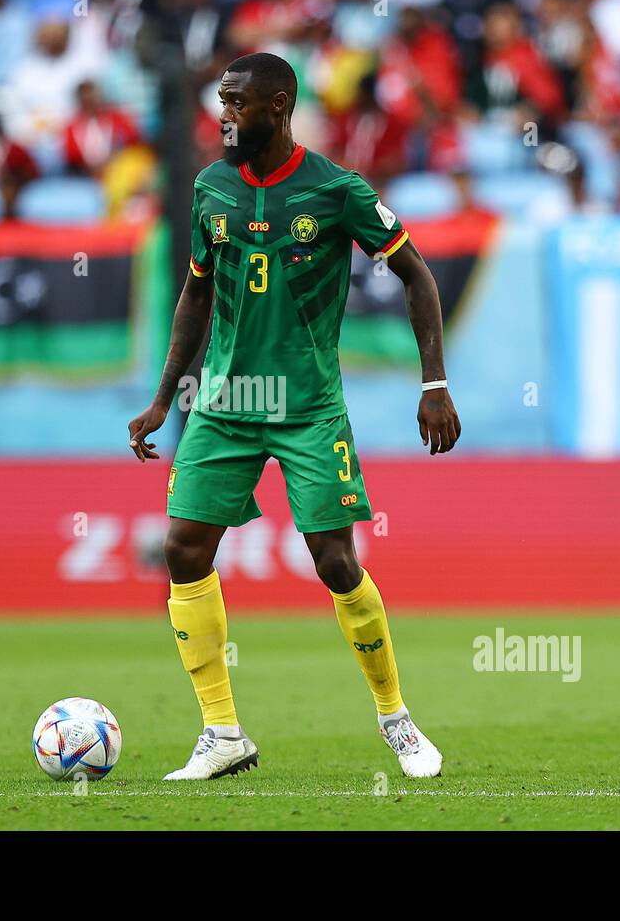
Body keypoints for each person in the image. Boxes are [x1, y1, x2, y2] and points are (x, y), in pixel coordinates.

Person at [127, 53, 461, 781]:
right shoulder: (210, 188)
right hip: (224, 404)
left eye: (238, 103)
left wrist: (433, 381)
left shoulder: (336, 190)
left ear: (279, 107)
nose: (225, 116)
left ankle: (395, 717)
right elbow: (195, 293)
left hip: (307, 407)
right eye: (221, 100)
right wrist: (163, 397)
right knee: (185, 549)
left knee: (336, 562)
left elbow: (416, 275)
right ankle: (221, 733)